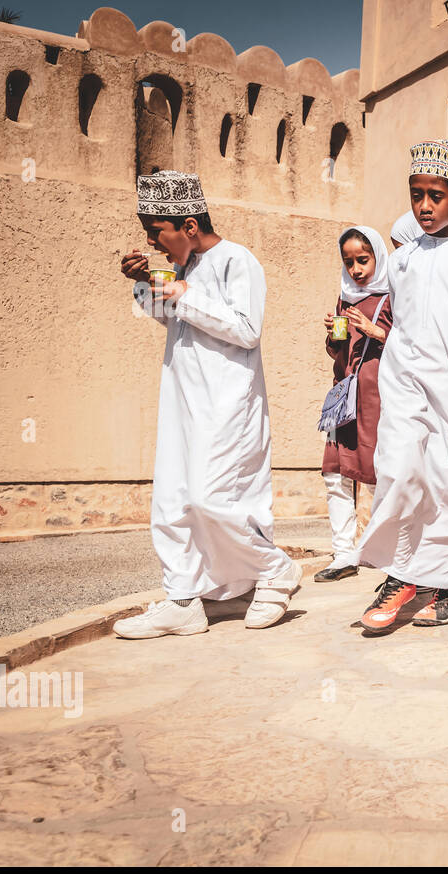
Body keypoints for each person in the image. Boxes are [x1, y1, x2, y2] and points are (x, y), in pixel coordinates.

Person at [114, 170, 300, 638]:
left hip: (227, 405)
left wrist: (185, 292)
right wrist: (144, 285)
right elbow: (167, 320)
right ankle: (182, 600)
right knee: (173, 502)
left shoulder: (238, 260)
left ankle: (275, 570)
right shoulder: (181, 271)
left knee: (212, 500)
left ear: (190, 225)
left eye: (157, 232)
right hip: (181, 401)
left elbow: (246, 328)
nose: (153, 243)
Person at [356, 140, 448, 631]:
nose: (426, 206)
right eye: (417, 196)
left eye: (437, 196)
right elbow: (365, 288)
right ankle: (403, 572)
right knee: (396, 471)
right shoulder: (403, 258)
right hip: (403, 384)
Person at [315, 227, 391, 582]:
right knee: (335, 471)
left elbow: (411, 344)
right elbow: (339, 352)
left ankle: (374, 547)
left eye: (364, 260)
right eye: (350, 262)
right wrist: (334, 333)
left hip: (377, 396)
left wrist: (377, 332)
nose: (357, 269)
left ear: (377, 256)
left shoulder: (390, 297)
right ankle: (342, 551)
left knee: (375, 470)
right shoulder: (345, 298)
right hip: (345, 395)